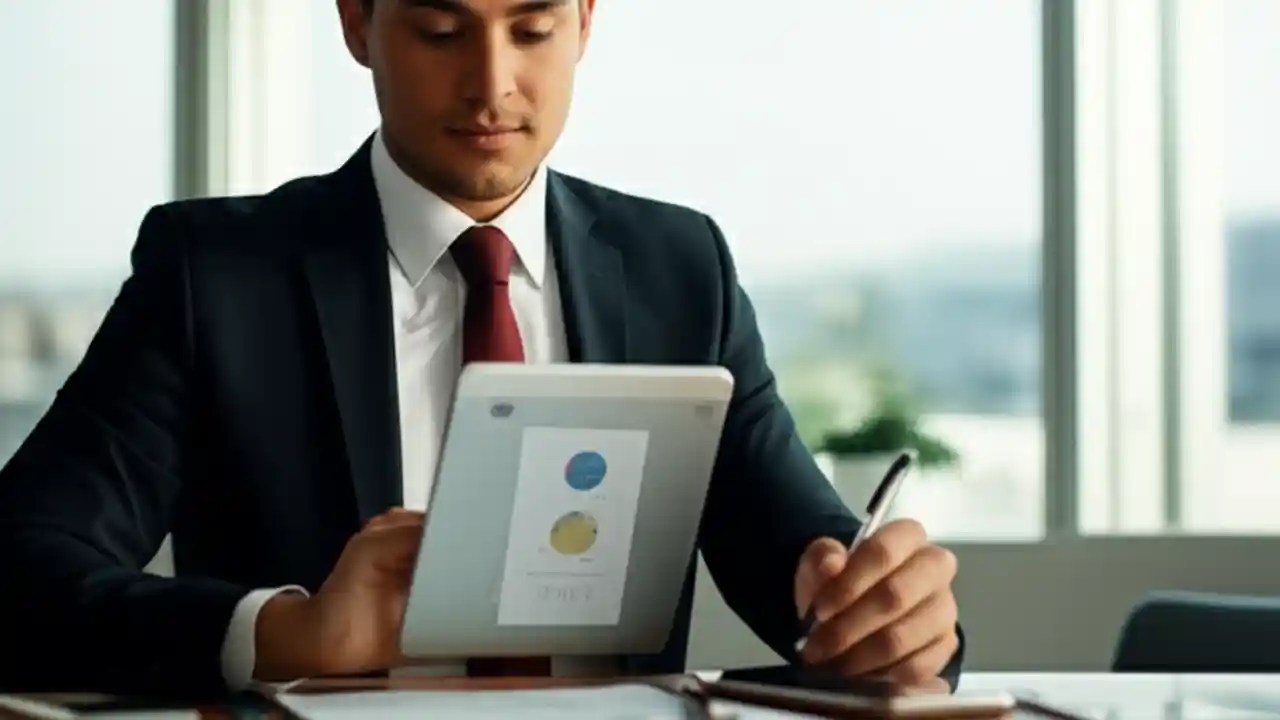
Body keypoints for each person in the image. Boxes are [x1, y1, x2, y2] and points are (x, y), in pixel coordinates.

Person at [0, 0, 961, 696]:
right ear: (357, 22)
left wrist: (885, 618)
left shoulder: (681, 268)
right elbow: (22, 574)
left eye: (534, 27)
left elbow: (815, 569)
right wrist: (288, 632)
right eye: (442, 30)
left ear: (587, 22)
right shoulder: (215, 274)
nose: (493, 83)